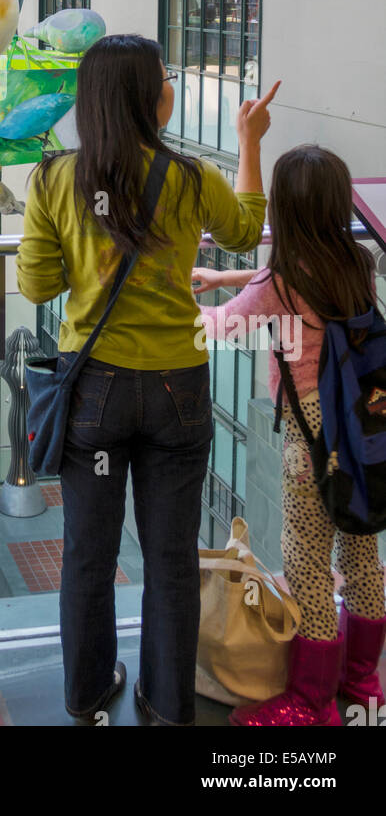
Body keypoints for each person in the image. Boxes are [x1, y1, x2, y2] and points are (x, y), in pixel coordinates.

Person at [16, 34, 278, 726]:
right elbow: (247, 231)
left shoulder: (52, 180)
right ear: (142, 96)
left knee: (88, 555)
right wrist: (250, 140)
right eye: (164, 77)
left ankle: (86, 692)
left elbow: (39, 282)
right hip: (177, 392)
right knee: (170, 557)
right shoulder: (191, 179)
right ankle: (167, 704)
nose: (172, 87)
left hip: (93, 391)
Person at [193, 145, 385, 726]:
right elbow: (276, 288)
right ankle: (363, 682)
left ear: (286, 212)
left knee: (305, 562)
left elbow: (222, 327)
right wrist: (228, 276)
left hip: (311, 437)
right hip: (361, 427)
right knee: (360, 550)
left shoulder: (281, 280)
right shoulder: (356, 260)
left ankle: (312, 702)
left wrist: (164, 304)